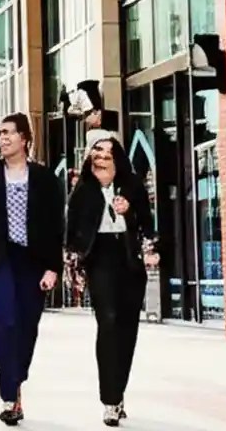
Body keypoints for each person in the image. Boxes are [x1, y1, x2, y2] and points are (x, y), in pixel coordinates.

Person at [0, 113, 64, 426]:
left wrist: (53, 267)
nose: (2, 138)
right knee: (6, 321)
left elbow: (54, 227)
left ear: (25, 138)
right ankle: (10, 395)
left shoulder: (46, 179)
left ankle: (17, 378)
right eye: (0, 133)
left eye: (9, 133)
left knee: (28, 325)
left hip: (33, 261)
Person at [65, 133, 159, 427]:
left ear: (117, 159)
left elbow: (148, 222)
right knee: (108, 321)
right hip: (101, 258)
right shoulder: (84, 190)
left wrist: (129, 212)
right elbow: (73, 232)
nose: (101, 158)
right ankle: (109, 399)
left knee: (127, 328)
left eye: (106, 153)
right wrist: (73, 261)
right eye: (97, 153)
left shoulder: (132, 185)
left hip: (129, 257)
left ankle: (118, 394)